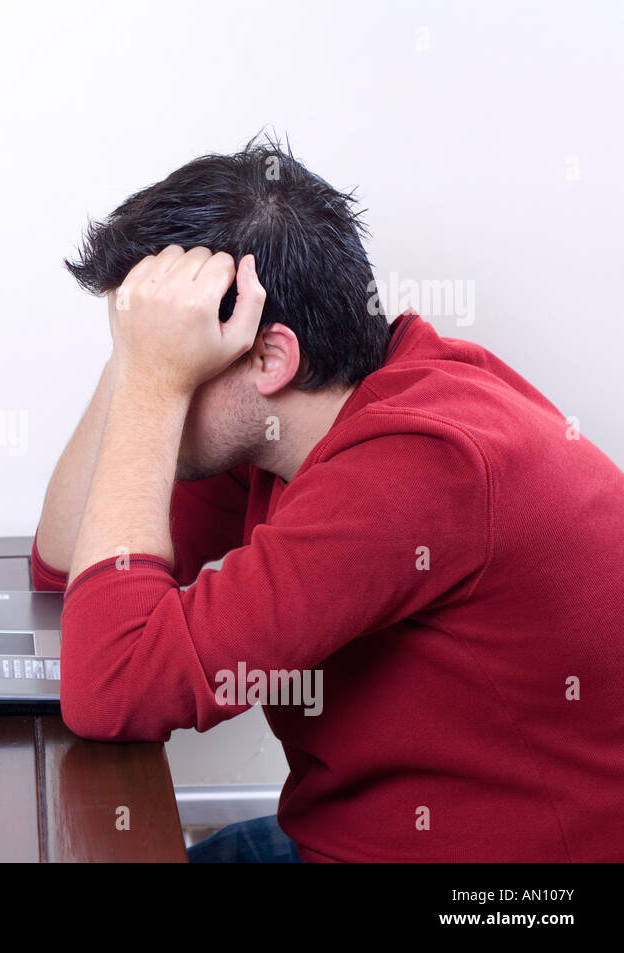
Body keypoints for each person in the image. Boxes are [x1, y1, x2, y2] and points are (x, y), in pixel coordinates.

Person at [31, 134, 624, 862]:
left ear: (270, 358)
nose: (157, 375)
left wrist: (156, 382)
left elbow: (111, 685)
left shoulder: (416, 468)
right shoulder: (290, 430)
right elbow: (68, 579)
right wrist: (139, 357)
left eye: (175, 352)